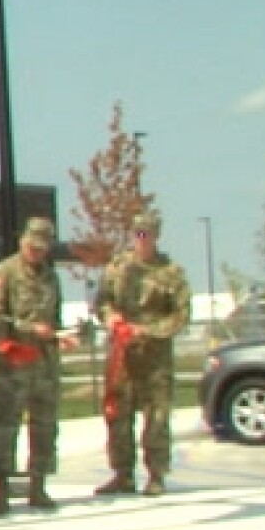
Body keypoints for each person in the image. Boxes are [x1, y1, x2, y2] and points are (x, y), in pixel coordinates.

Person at [93, 212, 191, 497]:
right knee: (118, 414)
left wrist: (147, 331)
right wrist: (111, 318)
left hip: (155, 356)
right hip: (123, 355)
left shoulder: (171, 272)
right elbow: (102, 302)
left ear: (156, 235)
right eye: (137, 233)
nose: (141, 239)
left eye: (147, 234)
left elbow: (181, 315)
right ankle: (122, 473)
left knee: (156, 416)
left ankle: (156, 474)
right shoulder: (117, 268)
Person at [0, 217, 65, 508]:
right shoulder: (4, 273)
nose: (36, 253)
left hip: (44, 365)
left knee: (44, 425)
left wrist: (58, 335)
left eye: (42, 248)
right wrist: (30, 329)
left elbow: (55, 317)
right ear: (22, 241)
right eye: (32, 246)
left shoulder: (51, 277)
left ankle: (38, 483)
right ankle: (1, 487)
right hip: (13, 365)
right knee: (7, 424)